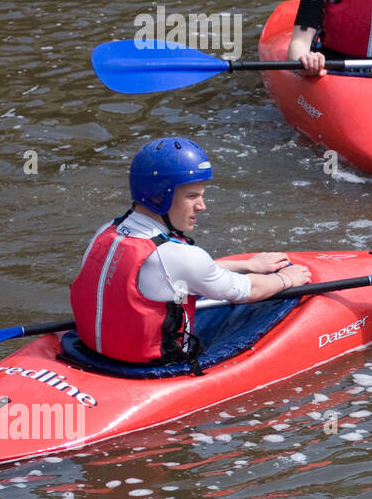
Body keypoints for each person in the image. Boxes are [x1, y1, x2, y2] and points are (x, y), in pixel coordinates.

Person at [70, 138, 312, 368]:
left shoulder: (107, 232)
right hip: (153, 366)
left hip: (90, 352)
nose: (202, 206)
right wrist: (287, 279)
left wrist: (247, 264)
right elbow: (249, 291)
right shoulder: (179, 256)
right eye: (192, 196)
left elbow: (167, 273)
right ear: (159, 196)